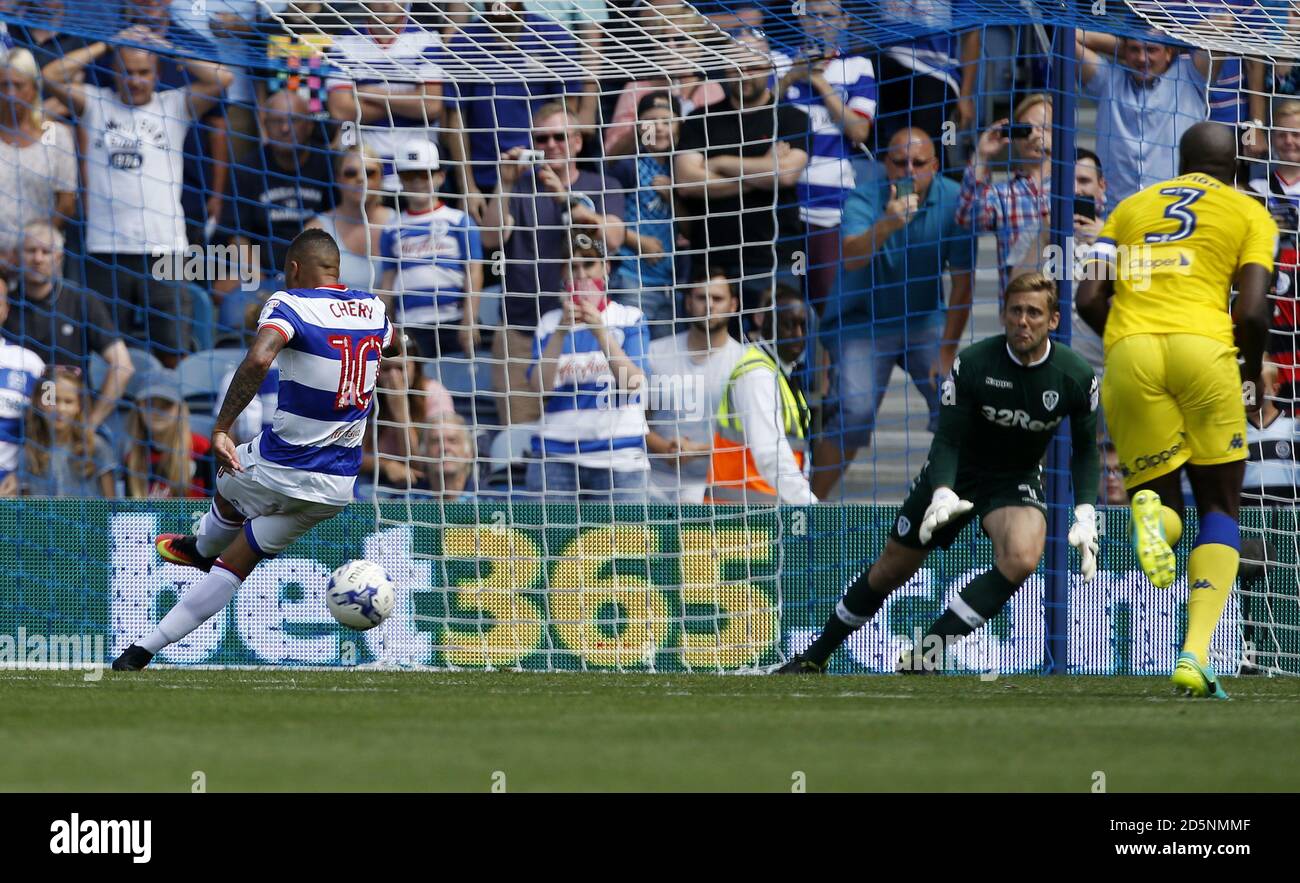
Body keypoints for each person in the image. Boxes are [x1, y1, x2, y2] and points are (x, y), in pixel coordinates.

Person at [779, 273, 1100, 674]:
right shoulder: (975, 363)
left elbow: (1087, 449)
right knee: (891, 570)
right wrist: (943, 491)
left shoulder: (1075, 377)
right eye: (1015, 310)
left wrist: (1086, 513)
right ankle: (814, 656)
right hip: (956, 471)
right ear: (1003, 315)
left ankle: (925, 654)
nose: (1023, 321)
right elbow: (947, 438)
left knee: (1021, 557)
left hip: (1014, 478)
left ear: (1052, 320)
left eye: (1034, 312)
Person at [112, 228, 393, 671]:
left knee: (229, 470)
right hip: (337, 486)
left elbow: (260, 359)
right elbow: (393, 346)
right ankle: (140, 651)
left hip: (282, 464)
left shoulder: (289, 303)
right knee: (238, 563)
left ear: (294, 269)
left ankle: (202, 548)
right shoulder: (374, 309)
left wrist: (222, 426)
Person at [1077, 122, 1278, 699]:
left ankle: (1150, 515)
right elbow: (1256, 313)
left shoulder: (1132, 207)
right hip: (1204, 351)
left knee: (1163, 500)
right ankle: (1194, 653)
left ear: (1180, 160)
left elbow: (1088, 296)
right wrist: (1245, 374)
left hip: (1130, 354)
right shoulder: (1249, 213)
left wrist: (1125, 339)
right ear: (1236, 166)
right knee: (1219, 505)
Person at [41, 31, 234, 368]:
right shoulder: (95, 102)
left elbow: (224, 77)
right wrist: (106, 43)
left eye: (143, 72)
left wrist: (166, 47)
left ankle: (173, 417)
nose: (134, 80)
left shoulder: (174, 104)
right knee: (102, 353)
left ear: (156, 74)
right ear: (114, 71)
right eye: (127, 71)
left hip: (168, 247)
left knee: (175, 351)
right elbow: (49, 75)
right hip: (106, 250)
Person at [814, 127, 975, 500]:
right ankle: (807, 505)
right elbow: (852, 254)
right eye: (898, 162)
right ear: (885, 164)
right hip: (860, 322)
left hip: (923, 320)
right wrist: (888, 222)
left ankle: (951, 499)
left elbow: (964, 285)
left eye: (918, 163)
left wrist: (948, 350)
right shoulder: (864, 197)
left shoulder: (954, 200)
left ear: (934, 165)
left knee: (955, 400)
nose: (907, 171)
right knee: (854, 413)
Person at [481, 102, 625, 427]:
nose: (550, 146)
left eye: (559, 137)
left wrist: (564, 197)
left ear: (577, 142)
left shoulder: (602, 184)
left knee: (584, 431)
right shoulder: (518, 185)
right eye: (541, 139)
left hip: (585, 331)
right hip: (521, 329)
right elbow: (491, 238)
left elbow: (613, 238)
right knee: (521, 439)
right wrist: (503, 183)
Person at [673, 30, 810, 312]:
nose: (744, 73)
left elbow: (785, 175)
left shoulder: (791, 118)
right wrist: (761, 175)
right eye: (737, 65)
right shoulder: (700, 119)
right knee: (710, 353)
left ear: (770, 66)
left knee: (779, 352)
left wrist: (720, 163)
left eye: (753, 66)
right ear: (724, 66)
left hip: (775, 259)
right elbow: (686, 181)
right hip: (711, 262)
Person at [527, 229, 650, 502]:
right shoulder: (549, 323)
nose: (581, 274)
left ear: (605, 267)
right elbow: (539, 388)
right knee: (552, 544)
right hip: (556, 455)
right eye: (573, 266)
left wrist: (599, 331)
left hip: (619, 456)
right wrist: (560, 332)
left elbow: (634, 383)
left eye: (589, 263)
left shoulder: (629, 317)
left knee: (624, 544)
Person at [777, 0, 876, 309]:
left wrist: (819, 82)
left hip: (831, 206)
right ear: (801, 19)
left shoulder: (858, 66)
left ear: (844, 20)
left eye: (829, 16)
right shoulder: (779, 61)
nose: (820, 23)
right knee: (784, 305)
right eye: (813, 15)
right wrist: (793, 77)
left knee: (826, 303)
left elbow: (859, 131)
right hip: (783, 203)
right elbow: (758, 115)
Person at [215, 89, 336, 326]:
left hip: (316, 277)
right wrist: (257, 282)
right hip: (265, 277)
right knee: (236, 310)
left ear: (309, 125)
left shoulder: (328, 166)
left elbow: (340, 221)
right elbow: (238, 235)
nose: (285, 128)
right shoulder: (246, 169)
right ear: (265, 125)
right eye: (277, 121)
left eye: (293, 120)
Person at [3, 222, 134, 432]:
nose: (38, 258)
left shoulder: (82, 300)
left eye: (46, 251)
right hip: (15, 418)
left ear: (59, 258)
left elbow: (123, 366)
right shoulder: (5, 305)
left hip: (70, 419)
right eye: (31, 251)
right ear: (17, 256)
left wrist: (91, 423)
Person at [1076, 32, 1214, 205]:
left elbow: (1223, 23)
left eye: (1151, 50)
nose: (1142, 58)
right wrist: (1123, 46)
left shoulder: (1191, 75)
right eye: (1135, 49)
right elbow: (1067, 38)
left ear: (1169, 52)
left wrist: (1169, 39)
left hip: (1174, 208)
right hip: (1118, 211)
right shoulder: (1108, 79)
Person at [709, 284, 816, 506]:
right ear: (767, 326)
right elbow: (770, 455)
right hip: (742, 521)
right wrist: (808, 504)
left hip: (761, 513)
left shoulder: (780, 372)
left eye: (803, 326)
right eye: (789, 325)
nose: (798, 334)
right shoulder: (757, 375)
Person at [645, 267, 744, 504]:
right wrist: (664, 446)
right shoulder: (655, 352)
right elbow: (631, 418)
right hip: (650, 479)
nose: (709, 305)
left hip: (711, 483)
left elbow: (751, 438)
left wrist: (697, 450)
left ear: (734, 305)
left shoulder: (744, 363)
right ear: (688, 303)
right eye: (701, 297)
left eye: (717, 298)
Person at [379, 140, 482, 359]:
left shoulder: (459, 221)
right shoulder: (391, 229)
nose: (417, 182)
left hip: (453, 320)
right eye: (409, 176)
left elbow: (474, 271)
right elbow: (388, 280)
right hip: (411, 324)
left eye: (424, 175)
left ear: (440, 177)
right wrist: (386, 324)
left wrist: (469, 320)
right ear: (399, 180)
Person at [957, 93, 1052, 292]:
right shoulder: (1002, 194)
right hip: (1020, 311)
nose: (1035, 135)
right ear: (1015, 137)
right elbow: (967, 219)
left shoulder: (1076, 185)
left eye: (1045, 127)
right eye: (1026, 129)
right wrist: (982, 155)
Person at [608, 92, 683, 340]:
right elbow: (605, 221)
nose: (659, 128)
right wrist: (641, 242)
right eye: (651, 121)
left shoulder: (682, 168)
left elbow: (691, 228)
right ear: (639, 126)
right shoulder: (628, 166)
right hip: (632, 279)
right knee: (630, 355)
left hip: (671, 285)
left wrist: (674, 198)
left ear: (679, 125)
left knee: (665, 363)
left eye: (667, 121)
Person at [0, 48, 77, 259]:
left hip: (41, 258)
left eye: (18, 85)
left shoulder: (56, 135)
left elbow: (67, 203)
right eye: (4, 85)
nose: (10, 94)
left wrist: (30, 250)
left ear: (33, 88)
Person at [305, 144, 397, 292]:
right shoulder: (317, 231)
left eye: (369, 172)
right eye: (351, 173)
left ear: (381, 178)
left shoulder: (398, 223)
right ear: (338, 179)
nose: (361, 178)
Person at [21, 368, 116, 498]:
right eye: (53, 400)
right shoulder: (29, 452)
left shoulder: (96, 446)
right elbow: (27, 509)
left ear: (79, 406)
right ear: (40, 402)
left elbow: (112, 506)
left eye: (68, 401)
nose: (60, 408)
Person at [123, 371, 212, 499]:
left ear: (180, 409)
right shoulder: (132, 459)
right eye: (150, 404)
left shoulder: (202, 448)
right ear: (138, 408)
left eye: (166, 405)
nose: (157, 411)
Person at [0, 276, 45, 497]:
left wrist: (22, 475)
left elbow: (52, 425)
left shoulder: (33, 364)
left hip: (13, 489)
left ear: (6, 309)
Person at [1242, 363, 1300, 504]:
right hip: (1248, 517)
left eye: (1258, 388)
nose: (1250, 395)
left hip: (1289, 516)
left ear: (1275, 389)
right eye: (1245, 388)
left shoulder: (1294, 427)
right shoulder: (1235, 432)